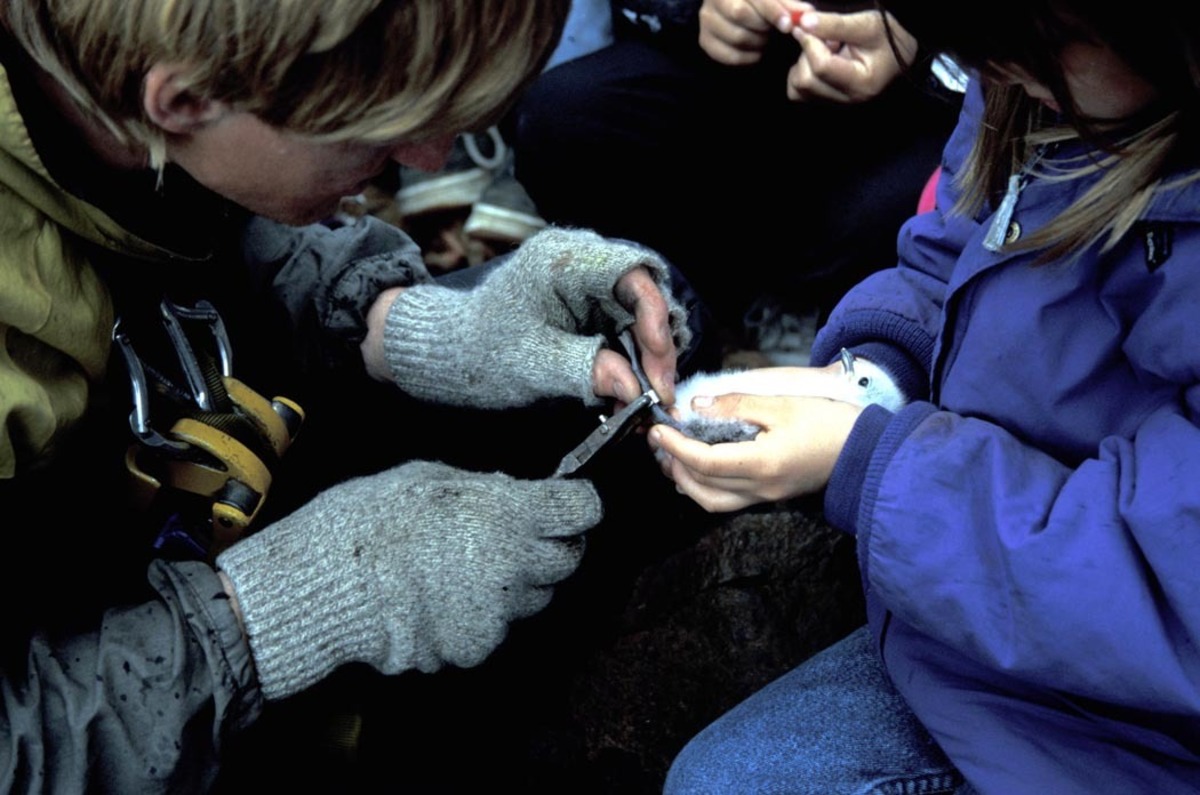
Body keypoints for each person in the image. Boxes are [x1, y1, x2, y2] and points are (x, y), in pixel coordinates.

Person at [0, 1, 700, 791]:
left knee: (601, 369)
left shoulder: (141, 99)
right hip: (126, 699)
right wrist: (285, 610)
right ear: (186, 100)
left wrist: (418, 326)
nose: (433, 161)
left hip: (214, 494)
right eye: (383, 131)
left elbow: (220, 226)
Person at [650, 1, 1200, 792]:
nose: (997, 75)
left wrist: (868, 462)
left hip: (1127, 734)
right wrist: (871, 375)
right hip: (975, 639)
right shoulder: (1023, 82)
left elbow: (1167, 585)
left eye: (1039, 48)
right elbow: (948, 255)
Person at [506, 0, 963, 346]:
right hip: (729, 85)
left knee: (918, 206)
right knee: (566, 119)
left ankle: (840, 342)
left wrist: (918, 37)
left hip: (923, 113)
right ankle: (690, 329)